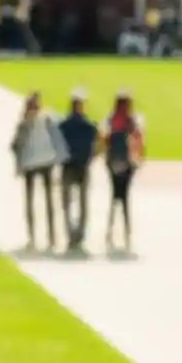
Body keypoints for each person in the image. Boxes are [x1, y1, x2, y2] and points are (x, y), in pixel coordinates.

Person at [10, 92, 69, 250]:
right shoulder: (28, 123)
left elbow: (57, 135)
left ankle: (46, 237)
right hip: (36, 163)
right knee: (37, 201)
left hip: (41, 162)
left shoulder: (42, 119)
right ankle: (38, 237)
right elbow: (15, 145)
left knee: (43, 201)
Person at [102, 90, 145, 251]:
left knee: (114, 196)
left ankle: (110, 229)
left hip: (113, 162)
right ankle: (126, 230)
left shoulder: (112, 119)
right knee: (125, 197)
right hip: (127, 163)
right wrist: (139, 158)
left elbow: (104, 138)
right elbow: (139, 139)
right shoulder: (131, 121)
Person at [57, 88, 99, 251]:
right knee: (83, 201)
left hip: (68, 166)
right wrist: (90, 158)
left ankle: (70, 232)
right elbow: (96, 145)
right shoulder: (89, 126)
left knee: (67, 202)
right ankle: (80, 232)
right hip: (82, 166)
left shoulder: (63, 125)